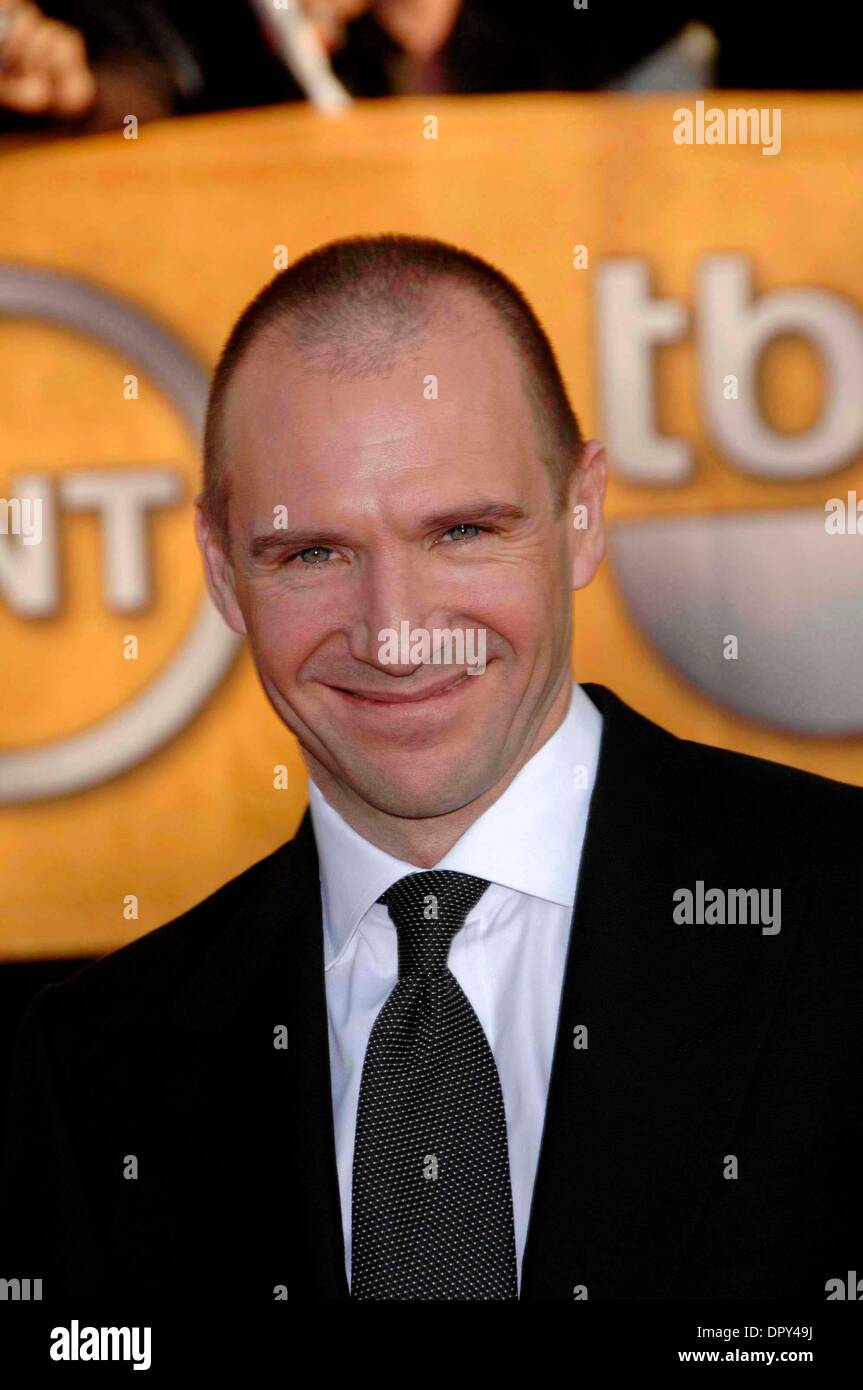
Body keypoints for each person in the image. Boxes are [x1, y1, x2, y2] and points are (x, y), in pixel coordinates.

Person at [2, 234, 861, 1302]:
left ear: (580, 514)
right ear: (224, 574)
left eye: (459, 531)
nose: (395, 635)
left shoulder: (840, 916)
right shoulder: (95, 1070)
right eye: (311, 553)